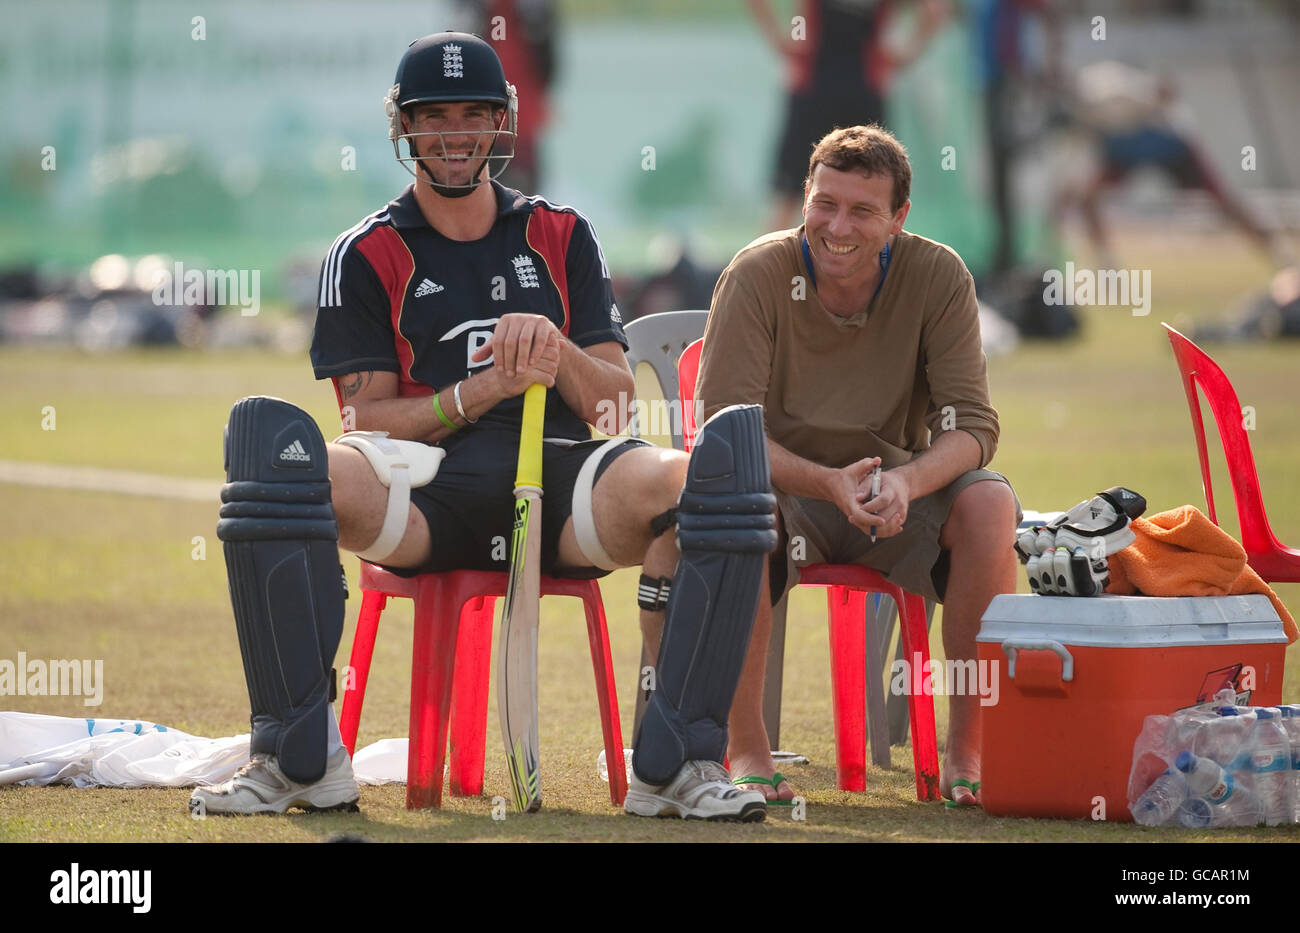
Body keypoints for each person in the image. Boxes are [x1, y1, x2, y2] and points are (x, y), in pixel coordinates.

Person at [191, 32, 776, 821]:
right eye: (435, 117)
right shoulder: (365, 252)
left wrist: (557, 352)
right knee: (273, 454)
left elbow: (613, 408)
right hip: (426, 485)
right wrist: (477, 393)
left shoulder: (563, 233)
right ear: (404, 129)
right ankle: (299, 753)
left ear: (502, 122)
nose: (456, 134)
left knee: (719, 467)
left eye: (474, 114)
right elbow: (364, 417)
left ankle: (678, 758)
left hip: (569, 480)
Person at [697, 124, 1021, 808]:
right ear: (806, 199)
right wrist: (825, 482)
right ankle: (749, 749)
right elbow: (727, 428)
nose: (837, 226)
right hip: (786, 495)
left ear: (899, 218)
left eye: (862, 210)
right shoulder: (757, 273)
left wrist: (906, 481)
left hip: (895, 498)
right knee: (738, 499)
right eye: (824, 203)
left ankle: (969, 750)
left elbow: (974, 424)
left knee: (992, 503)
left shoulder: (938, 275)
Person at [749, 0, 949, 232]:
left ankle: (771, 267)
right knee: (877, 200)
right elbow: (933, 10)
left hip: (815, 88)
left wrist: (780, 41)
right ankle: (877, 267)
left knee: (789, 196)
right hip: (861, 91)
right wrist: (906, 55)